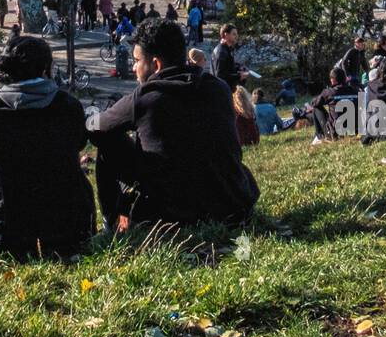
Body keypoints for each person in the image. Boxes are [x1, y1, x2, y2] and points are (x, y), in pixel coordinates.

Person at [86, 18, 259, 230]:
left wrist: (92, 116)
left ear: (156, 64)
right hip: (233, 203)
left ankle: (111, 223)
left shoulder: (146, 97)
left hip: (175, 212)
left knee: (109, 142)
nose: (134, 68)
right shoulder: (220, 88)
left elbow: (95, 129)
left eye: (137, 60)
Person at [0, 35, 94, 257]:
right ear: (47, 69)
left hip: (2, 232)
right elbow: (80, 142)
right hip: (69, 227)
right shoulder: (69, 106)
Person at [211, 24, 248, 92]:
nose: (236, 36)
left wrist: (239, 68)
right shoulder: (221, 52)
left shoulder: (227, 49)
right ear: (226, 35)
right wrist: (239, 76)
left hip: (227, 90)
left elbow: (228, 67)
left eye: (236, 34)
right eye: (234, 34)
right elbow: (219, 76)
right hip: (222, 92)